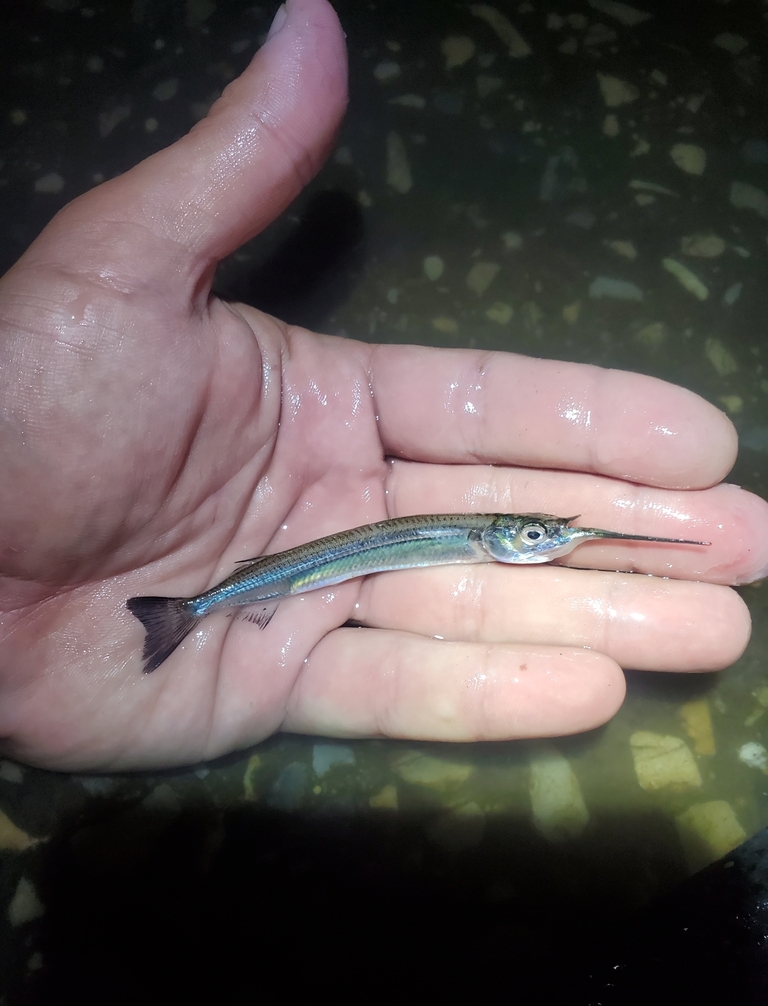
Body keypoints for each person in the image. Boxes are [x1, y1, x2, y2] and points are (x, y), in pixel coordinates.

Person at [0, 0, 764, 772]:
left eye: (541, 535)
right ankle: (189, 613)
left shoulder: (473, 536)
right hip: (236, 587)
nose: (545, 539)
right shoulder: (470, 535)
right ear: (494, 537)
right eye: (535, 534)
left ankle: (194, 612)